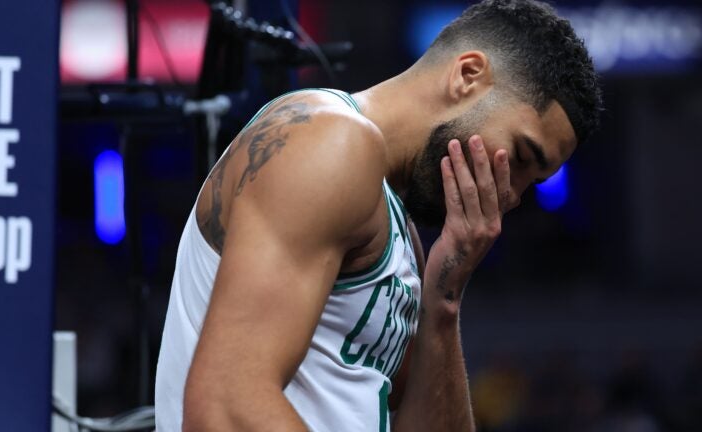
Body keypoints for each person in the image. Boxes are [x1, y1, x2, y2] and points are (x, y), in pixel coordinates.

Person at [155, 0, 602, 430]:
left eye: (531, 182)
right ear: (468, 75)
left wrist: (444, 298)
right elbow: (224, 407)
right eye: (522, 155)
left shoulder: (399, 228)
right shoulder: (328, 140)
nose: (511, 193)